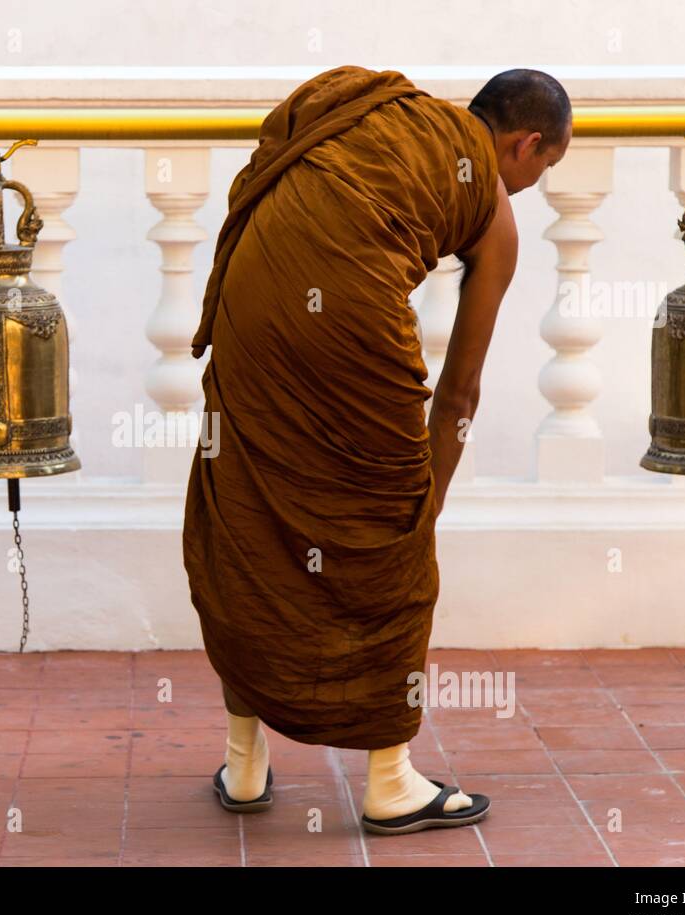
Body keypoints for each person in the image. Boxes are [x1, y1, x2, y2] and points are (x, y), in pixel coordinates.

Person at [182, 66, 571, 833]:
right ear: (526, 143)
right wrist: (419, 514)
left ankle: (245, 762)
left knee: (245, 522)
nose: (533, 184)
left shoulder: (384, 115)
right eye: (545, 168)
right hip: (347, 327)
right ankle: (390, 781)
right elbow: (459, 394)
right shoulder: (493, 212)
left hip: (249, 305)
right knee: (385, 543)